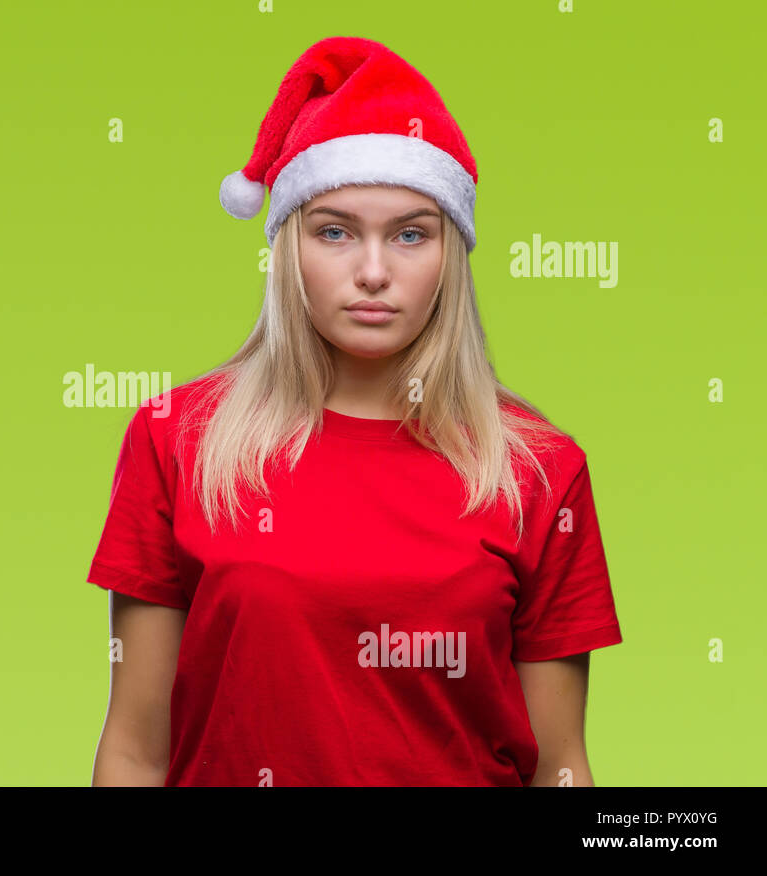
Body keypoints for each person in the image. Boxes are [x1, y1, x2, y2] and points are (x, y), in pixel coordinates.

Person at [86, 36, 623, 787]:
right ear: (286, 248)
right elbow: (137, 754)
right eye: (335, 231)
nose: (374, 272)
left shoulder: (537, 470)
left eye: (411, 234)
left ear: (451, 253)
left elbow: (559, 767)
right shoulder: (178, 440)